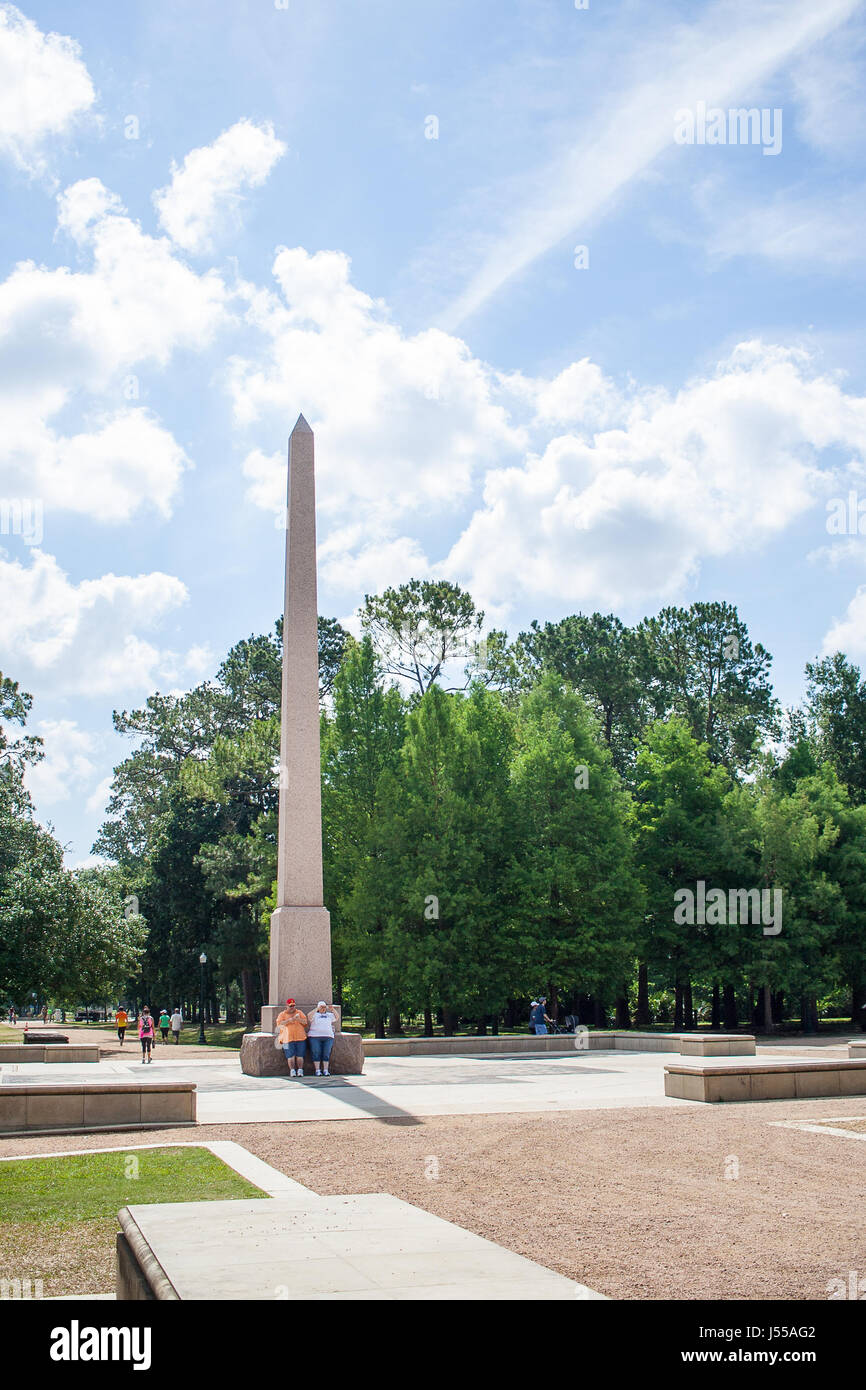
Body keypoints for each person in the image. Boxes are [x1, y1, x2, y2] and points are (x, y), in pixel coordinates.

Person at [275, 998, 308, 1076]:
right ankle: (292, 1070)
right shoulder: (282, 1014)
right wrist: (289, 1020)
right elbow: (279, 1024)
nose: (292, 1007)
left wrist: (298, 1019)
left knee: (300, 1055)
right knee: (290, 1056)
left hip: (300, 1037)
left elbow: (305, 1022)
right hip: (287, 1039)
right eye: (290, 1006)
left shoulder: (299, 1012)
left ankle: (300, 1070)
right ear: (287, 1006)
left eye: (293, 1005)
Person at [306, 1001, 337, 1077]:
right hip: (315, 1036)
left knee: (326, 1053)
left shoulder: (329, 1015)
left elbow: (337, 1017)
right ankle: (317, 1070)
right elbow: (309, 1016)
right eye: (321, 1007)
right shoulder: (315, 1015)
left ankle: (325, 1070)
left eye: (324, 1007)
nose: (323, 1009)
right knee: (316, 1053)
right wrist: (316, 1009)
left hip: (328, 1036)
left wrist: (333, 1009)